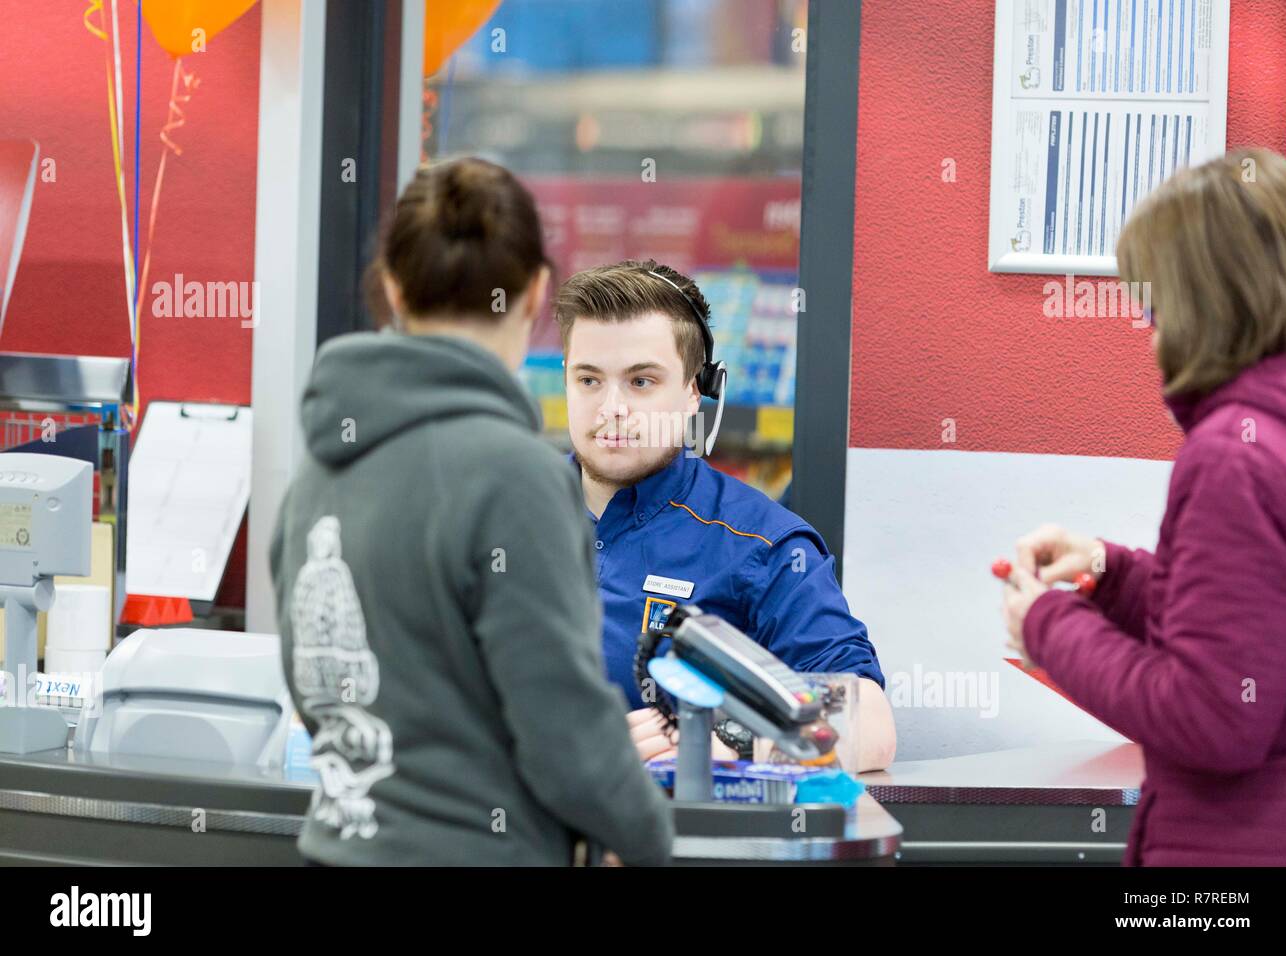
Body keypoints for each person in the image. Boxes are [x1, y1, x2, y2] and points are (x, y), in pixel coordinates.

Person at [270, 159, 673, 866]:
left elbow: (314, 688)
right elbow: (567, 734)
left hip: (333, 847)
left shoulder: (319, 467)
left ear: (393, 289)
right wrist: (644, 836)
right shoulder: (514, 475)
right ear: (533, 295)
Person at [1001, 148, 1286, 866]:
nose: (1154, 335)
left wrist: (1046, 622)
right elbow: (1254, 627)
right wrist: (1113, 574)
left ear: (1206, 306)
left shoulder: (1233, 454)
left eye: (1156, 309)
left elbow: (1214, 718)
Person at [553, 260, 897, 772]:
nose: (611, 408)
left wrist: (708, 738)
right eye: (589, 379)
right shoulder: (501, 516)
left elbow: (869, 723)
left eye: (641, 381)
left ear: (694, 392)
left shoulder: (759, 544)